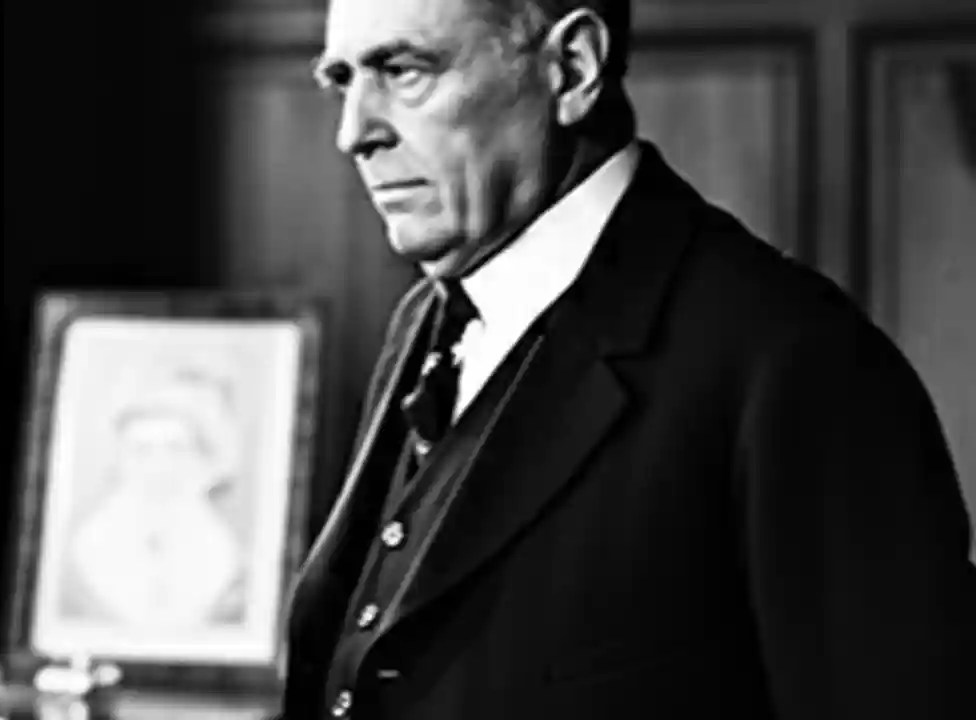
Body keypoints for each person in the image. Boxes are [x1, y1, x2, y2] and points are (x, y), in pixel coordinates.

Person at [278, 0, 976, 718]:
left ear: (572, 67)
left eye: (402, 70)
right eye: (341, 80)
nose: (353, 132)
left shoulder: (796, 360)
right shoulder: (421, 324)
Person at [60, 368, 247, 632]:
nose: (158, 466)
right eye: (142, 451)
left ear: (201, 459)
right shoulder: (88, 545)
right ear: (119, 461)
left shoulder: (225, 551)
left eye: (175, 449)